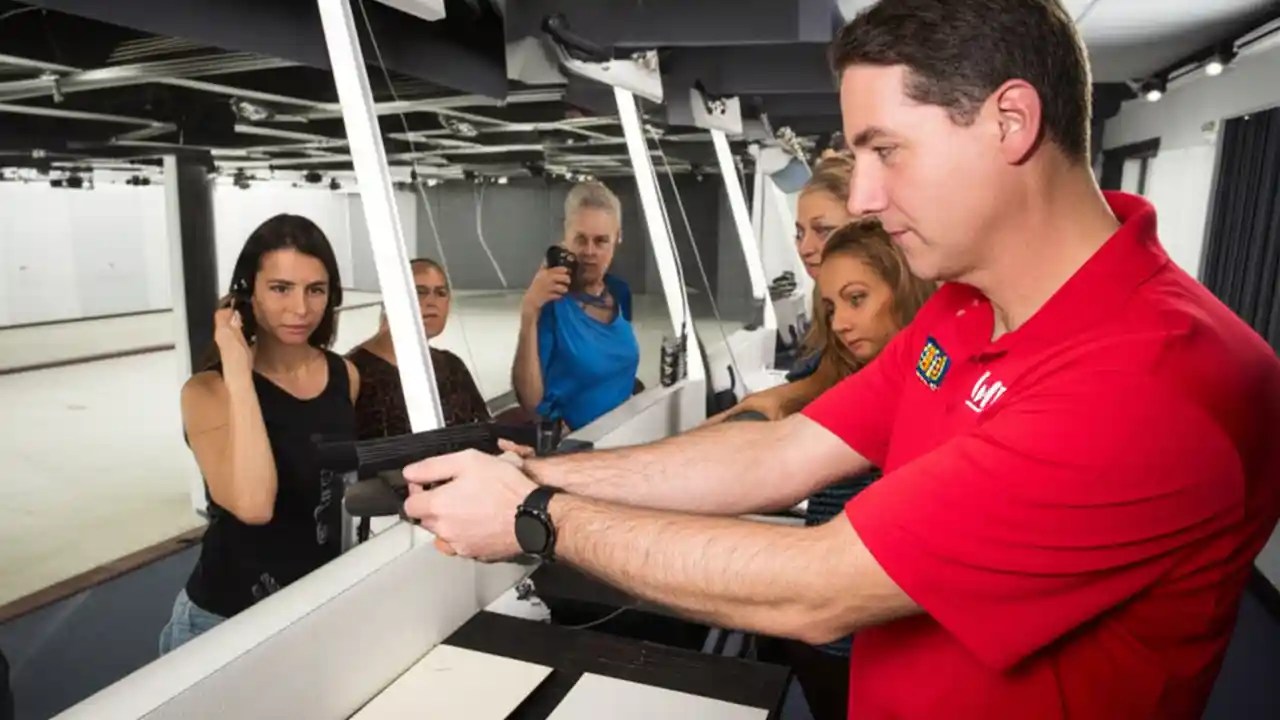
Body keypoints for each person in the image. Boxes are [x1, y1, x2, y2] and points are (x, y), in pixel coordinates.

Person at [400, 1, 1280, 718]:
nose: (862, 197)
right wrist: (555, 472)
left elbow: (817, 588)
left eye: (886, 150)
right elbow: (787, 450)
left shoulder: (1153, 385)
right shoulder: (965, 301)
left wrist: (538, 517)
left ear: (1011, 121)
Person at [756, 219, 934, 720]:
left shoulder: (923, 391)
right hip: (833, 625)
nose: (838, 323)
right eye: (832, 308)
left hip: (873, 625)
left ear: (905, 285)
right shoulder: (857, 376)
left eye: (856, 300)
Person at [160, 214, 359, 655]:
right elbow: (253, 504)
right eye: (280, 288)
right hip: (222, 622)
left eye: (316, 290)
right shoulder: (207, 392)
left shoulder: (344, 374)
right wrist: (237, 367)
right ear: (246, 294)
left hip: (312, 608)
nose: (301, 309)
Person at [708, 153, 857, 422]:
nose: (804, 248)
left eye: (823, 230)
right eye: (800, 233)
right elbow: (828, 373)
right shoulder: (823, 300)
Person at [511, 181, 640, 431]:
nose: (589, 252)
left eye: (601, 241)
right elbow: (531, 404)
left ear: (618, 238)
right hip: (578, 449)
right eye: (581, 239)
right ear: (566, 236)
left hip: (622, 438)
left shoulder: (619, 292)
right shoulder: (552, 304)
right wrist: (529, 313)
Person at [349, 258, 490, 437]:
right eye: (419, 292)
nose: (432, 302)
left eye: (440, 293)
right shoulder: (353, 373)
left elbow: (486, 432)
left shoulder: (452, 367)